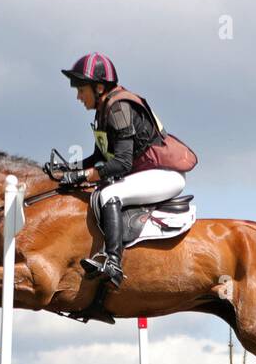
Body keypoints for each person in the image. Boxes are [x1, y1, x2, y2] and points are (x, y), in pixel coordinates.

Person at [58, 53, 196, 318]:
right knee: (98, 191)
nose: (78, 97)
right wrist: (68, 170)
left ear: (99, 87)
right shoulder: (105, 109)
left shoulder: (119, 108)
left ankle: (113, 263)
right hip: (148, 172)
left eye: (81, 89)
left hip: (165, 175)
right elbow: (99, 159)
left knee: (108, 193)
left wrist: (83, 176)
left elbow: (120, 164)